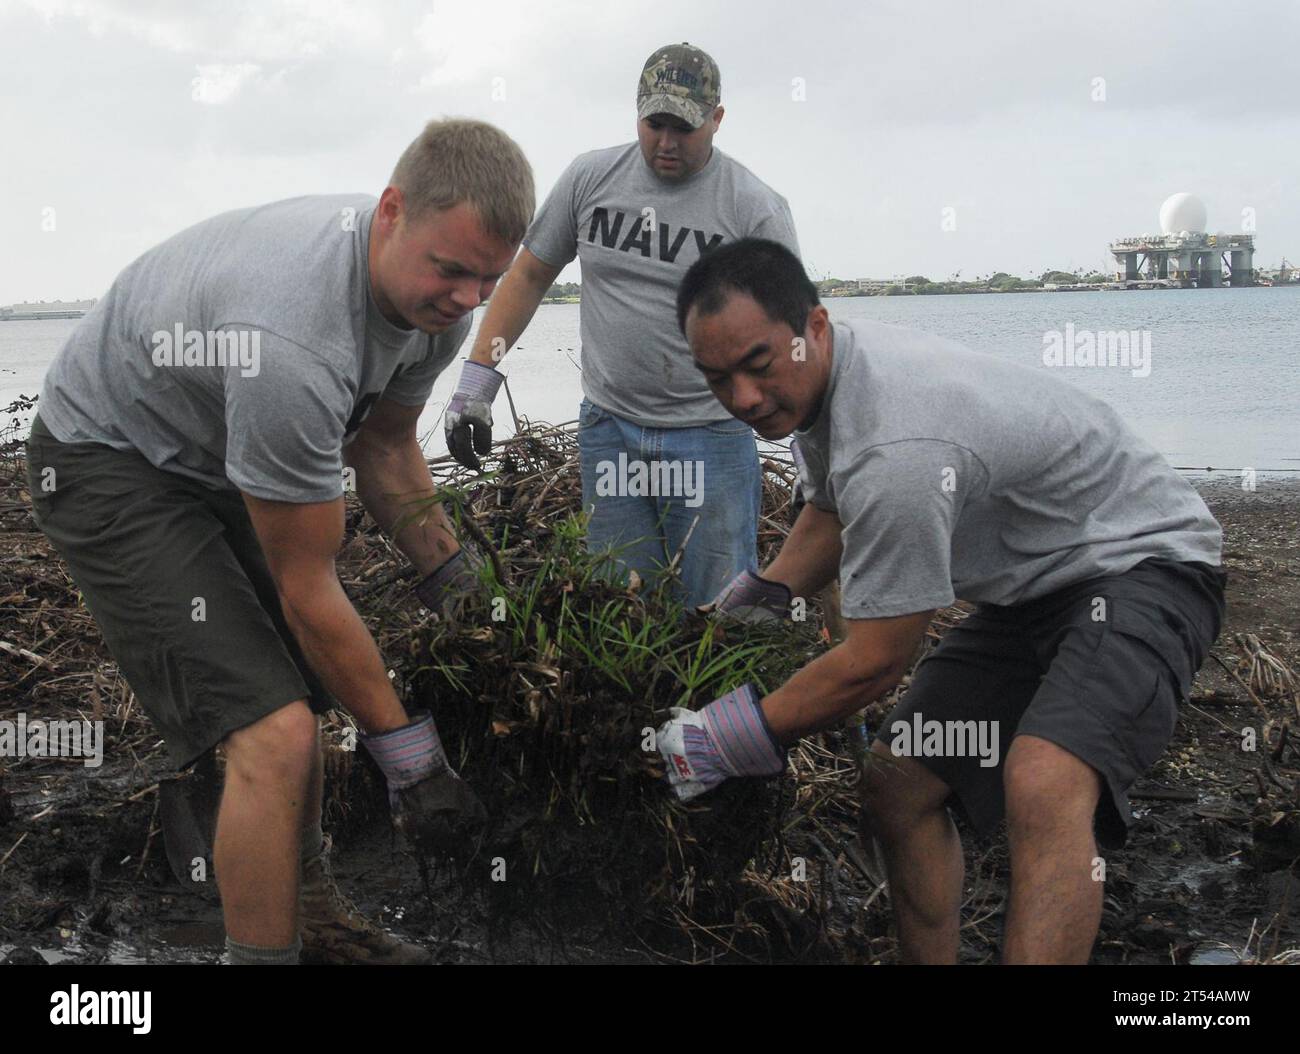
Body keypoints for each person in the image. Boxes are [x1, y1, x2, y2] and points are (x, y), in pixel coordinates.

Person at [25, 118, 534, 965]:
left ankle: (315, 913)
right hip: (108, 457)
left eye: (489, 277)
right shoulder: (293, 341)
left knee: (306, 686)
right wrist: (410, 760)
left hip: (213, 446)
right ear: (391, 210)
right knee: (276, 727)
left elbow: (385, 447)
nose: (466, 299)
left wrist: (461, 581)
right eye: (450, 270)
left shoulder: (434, 307)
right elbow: (308, 586)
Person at [658, 238, 1225, 964]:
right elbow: (828, 510)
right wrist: (753, 602)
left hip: (1144, 565)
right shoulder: (830, 382)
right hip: (1031, 595)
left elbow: (872, 664)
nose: (742, 399)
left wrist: (716, 742)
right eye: (717, 378)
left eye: (759, 366)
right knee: (898, 784)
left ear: (816, 328)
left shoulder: (899, 447)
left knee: (1044, 778)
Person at [443, 42, 800, 606]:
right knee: (620, 600)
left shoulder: (752, 208)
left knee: (721, 610)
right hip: (609, 431)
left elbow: (791, 336)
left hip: (710, 435)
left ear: (717, 119)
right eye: (654, 123)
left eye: (683, 127)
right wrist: (477, 377)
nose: (666, 142)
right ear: (636, 112)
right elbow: (531, 274)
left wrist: (810, 452)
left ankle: (719, 699)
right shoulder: (591, 178)